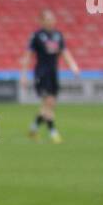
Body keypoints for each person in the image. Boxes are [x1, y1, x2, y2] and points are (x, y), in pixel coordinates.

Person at [23, 9, 80, 143]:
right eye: (47, 20)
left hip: (54, 73)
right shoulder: (36, 36)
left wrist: (73, 66)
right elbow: (28, 56)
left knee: (49, 105)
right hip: (42, 73)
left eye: (52, 19)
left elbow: (64, 52)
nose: (50, 22)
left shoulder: (58, 35)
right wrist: (24, 74)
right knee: (48, 103)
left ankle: (33, 128)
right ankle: (53, 132)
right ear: (41, 21)